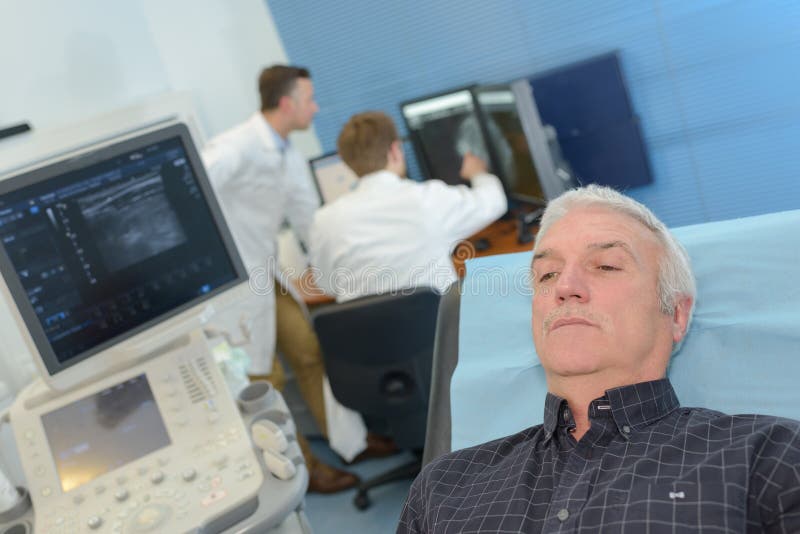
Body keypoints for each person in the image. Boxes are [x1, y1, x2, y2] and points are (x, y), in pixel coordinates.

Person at [397, 185, 800, 533]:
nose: (565, 287)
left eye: (606, 265)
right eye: (547, 275)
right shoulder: (444, 486)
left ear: (676, 314)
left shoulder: (769, 458)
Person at [202, 65, 380, 494]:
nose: (315, 107)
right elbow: (196, 183)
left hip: (269, 274)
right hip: (236, 286)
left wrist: (342, 262)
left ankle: (353, 442)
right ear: (287, 103)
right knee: (265, 382)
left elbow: (308, 220)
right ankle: (302, 469)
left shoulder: (287, 154)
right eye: (309, 99)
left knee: (308, 350)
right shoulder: (238, 145)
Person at [309, 111, 507, 302]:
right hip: (440, 333)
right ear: (395, 150)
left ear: (346, 162)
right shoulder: (426, 200)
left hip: (367, 335)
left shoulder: (325, 221)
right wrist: (478, 172)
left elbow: (327, 285)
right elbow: (494, 201)